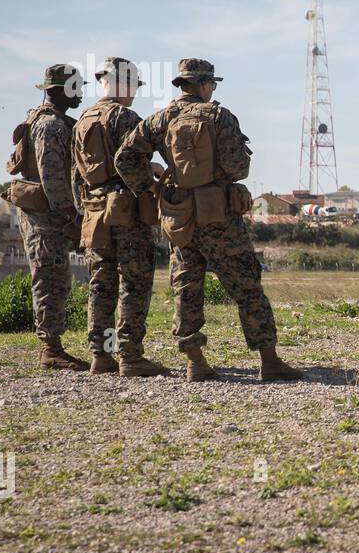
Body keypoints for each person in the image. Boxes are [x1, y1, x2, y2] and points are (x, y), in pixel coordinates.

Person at [114, 58, 301, 382]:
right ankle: (269, 361)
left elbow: (125, 158)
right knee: (246, 286)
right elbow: (238, 167)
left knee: (186, 286)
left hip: (180, 217)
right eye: (212, 84)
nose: (212, 89)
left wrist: (150, 189)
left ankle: (195, 362)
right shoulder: (219, 116)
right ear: (203, 85)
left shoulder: (160, 119)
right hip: (220, 217)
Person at [71, 57, 168, 377]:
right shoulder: (126, 118)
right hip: (127, 214)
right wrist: (149, 186)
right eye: (135, 86)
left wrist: (84, 207)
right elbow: (130, 163)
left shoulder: (82, 119)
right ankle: (130, 356)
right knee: (134, 283)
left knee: (101, 285)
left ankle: (101, 354)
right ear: (124, 83)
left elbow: (76, 176)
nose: (135, 93)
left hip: (94, 213)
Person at [3, 64, 89, 371]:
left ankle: (52, 346)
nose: (81, 93)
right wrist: (71, 215)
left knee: (54, 277)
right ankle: (50, 349)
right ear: (63, 90)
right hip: (47, 217)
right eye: (77, 87)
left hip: (42, 214)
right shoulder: (51, 125)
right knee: (50, 279)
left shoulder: (39, 119)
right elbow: (52, 177)